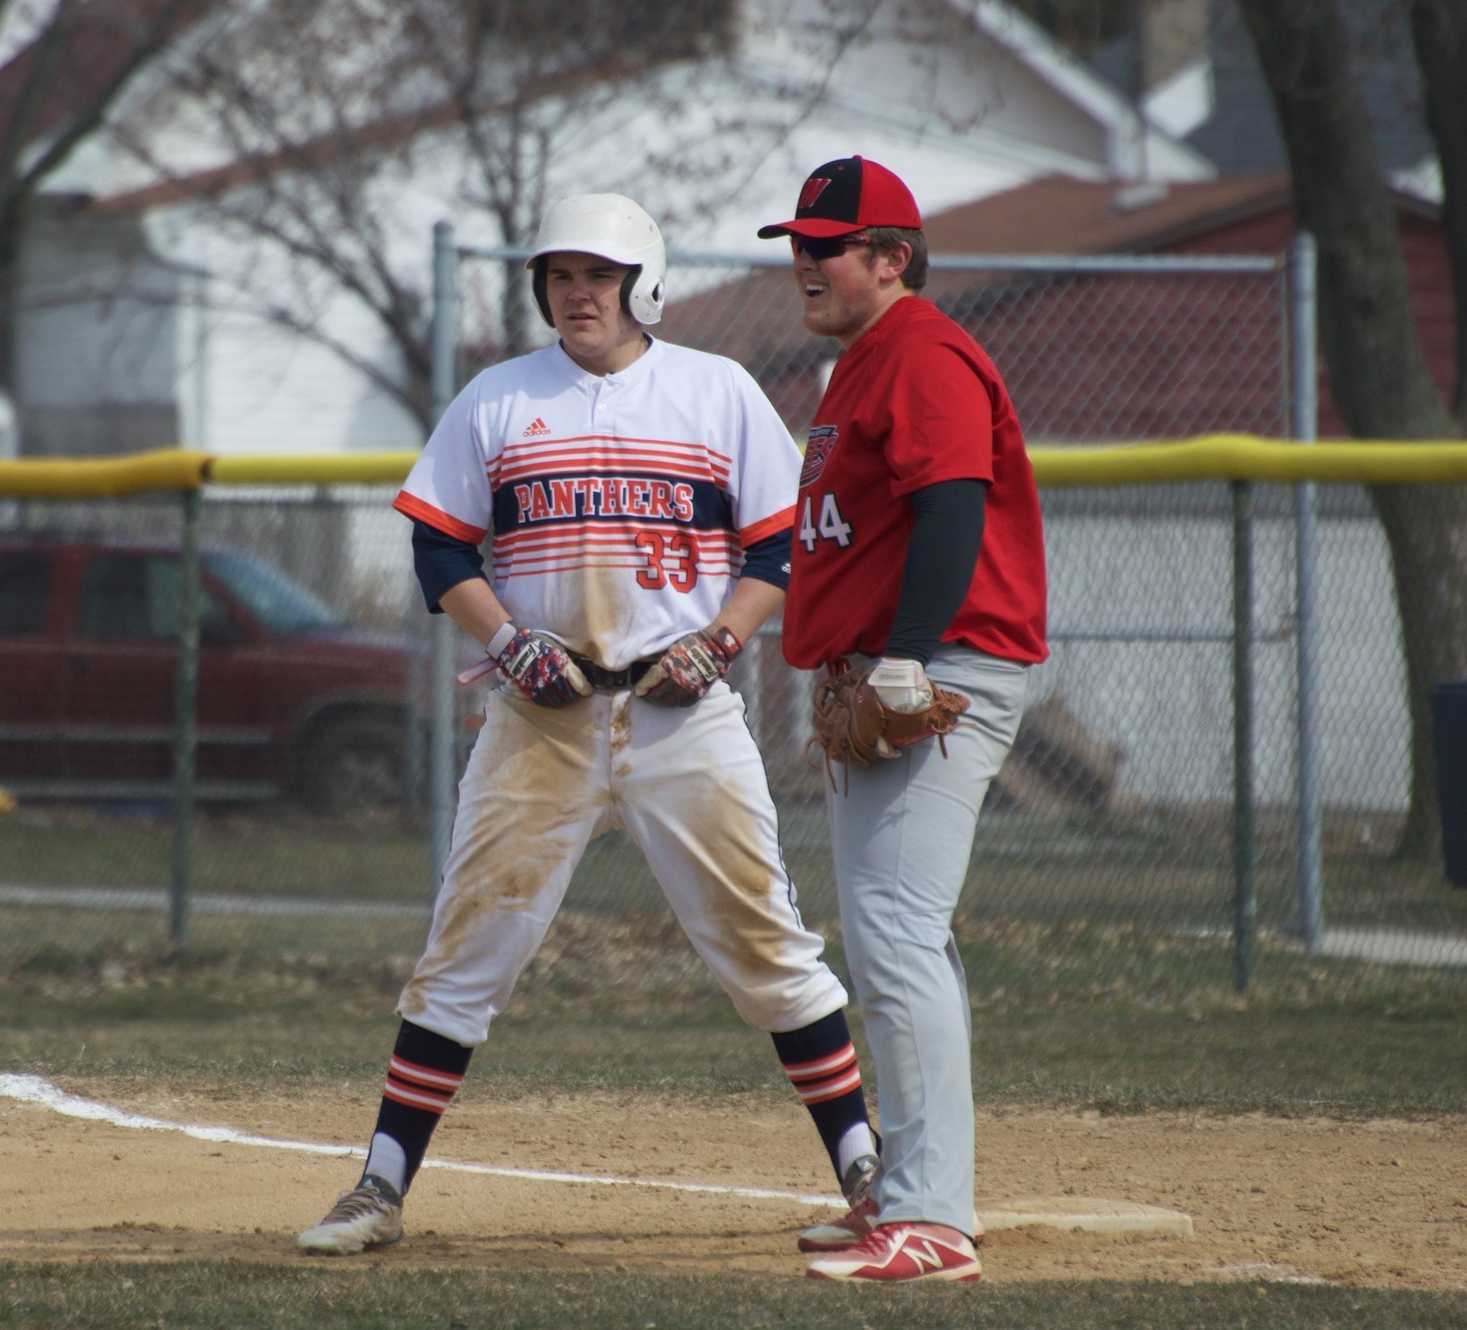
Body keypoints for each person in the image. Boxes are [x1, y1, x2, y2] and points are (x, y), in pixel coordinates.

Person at [297, 193, 879, 1256]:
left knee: (765, 944)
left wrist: (721, 640)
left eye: (599, 275)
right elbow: (438, 547)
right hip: (539, 718)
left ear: (641, 284)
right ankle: (378, 1187)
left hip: (683, 718)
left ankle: (865, 1175)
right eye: (560, 275)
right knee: (466, 952)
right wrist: (508, 637)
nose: (578, 293)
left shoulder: (715, 390)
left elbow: (776, 547)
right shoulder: (497, 397)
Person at [755, 156, 1049, 1283]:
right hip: (895, 670)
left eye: (825, 247)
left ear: (890, 258)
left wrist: (907, 655)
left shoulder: (922, 351)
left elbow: (951, 507)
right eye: (797, 245)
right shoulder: (860, 363)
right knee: (893, 934)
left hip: (938, 674)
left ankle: (931, 1216)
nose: (803, 263)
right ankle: (913, 1183)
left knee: (894, 934)